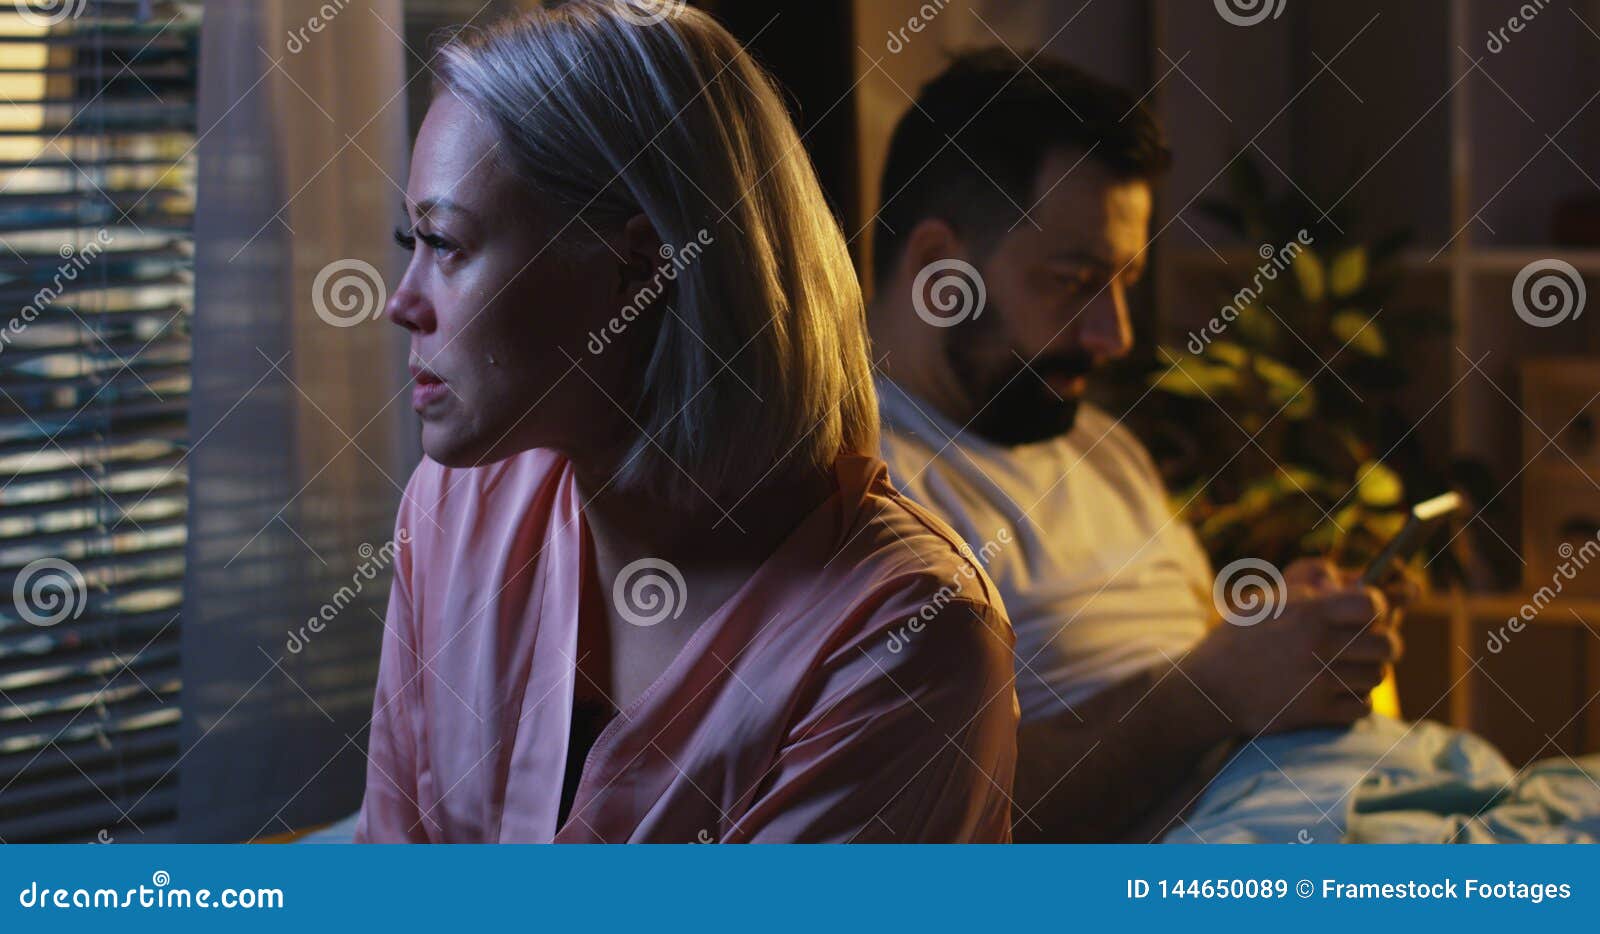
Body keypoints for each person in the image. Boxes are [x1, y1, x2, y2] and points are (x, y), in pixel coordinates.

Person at [353, 1, 1017, 843]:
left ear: (637, 263)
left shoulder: (908, 643)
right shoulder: (452, 513)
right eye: (408, 242)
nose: (399, 302)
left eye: (445, 245)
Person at [867, 50, 1405, 842]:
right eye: (1075, 279)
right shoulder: (863, 489)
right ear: (938, 268)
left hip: (1361, 789)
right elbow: (939, 826)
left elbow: (1201, 653)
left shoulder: (1103, 447)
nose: (1114, 336)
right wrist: (1217, 693)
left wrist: (1296, 637)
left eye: (1124, 282)